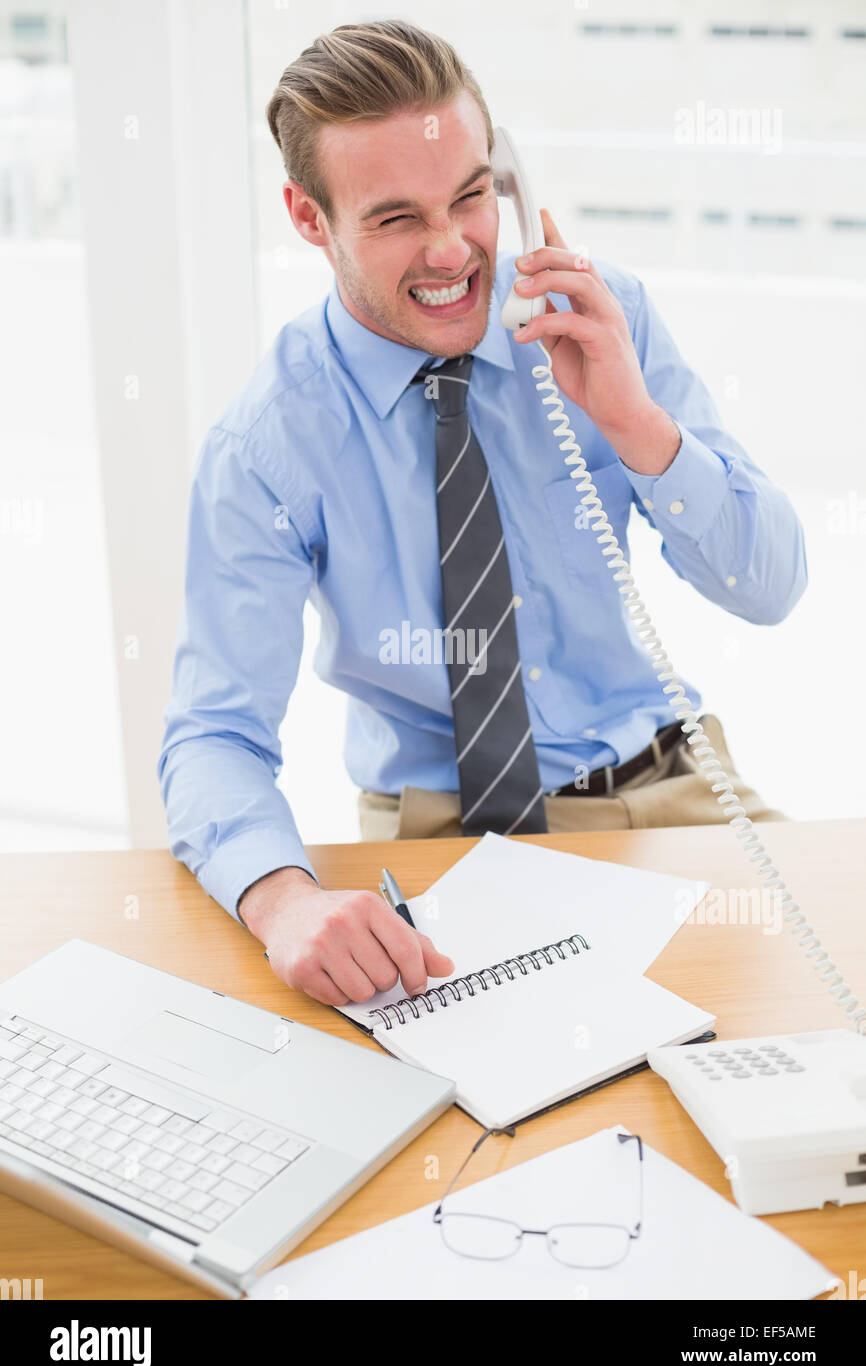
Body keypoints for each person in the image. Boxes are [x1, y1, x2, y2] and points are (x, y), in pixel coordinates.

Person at [158, 20, 806, 1008]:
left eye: (471, 194)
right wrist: (281, 901)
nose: (454, 247)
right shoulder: (266, 443)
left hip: (664, 794)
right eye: (396, 218)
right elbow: (213, 732)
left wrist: (635, 423)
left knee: (815, 1054)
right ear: (307, 216)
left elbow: (769, 587)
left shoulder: (597, 320)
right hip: (439, 835)